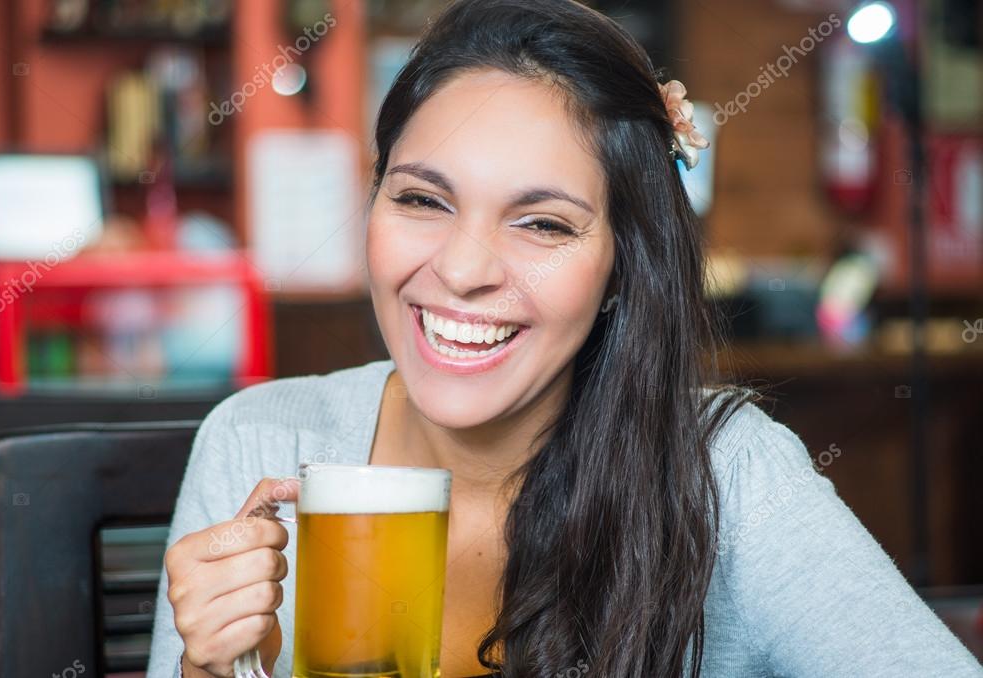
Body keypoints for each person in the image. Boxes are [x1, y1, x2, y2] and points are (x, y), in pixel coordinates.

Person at [146, 0, 983, 676]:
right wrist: (207, 674)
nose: (465, 268)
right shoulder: (257, 442)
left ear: (624, 264)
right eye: (421, 200)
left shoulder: (725, 476)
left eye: (544, 223)